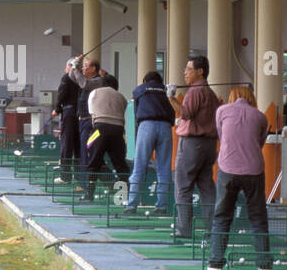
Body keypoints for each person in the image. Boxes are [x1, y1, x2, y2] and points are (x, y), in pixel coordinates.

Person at [207, 85, 271, 270]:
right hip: (254, 170)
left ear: (232, 97)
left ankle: (215, 263)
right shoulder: (260, 116)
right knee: (258, 217)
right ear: (251, 97)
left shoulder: (221, 111)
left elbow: (221, 135)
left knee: (221, 216)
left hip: (227, 169)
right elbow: (260, 142)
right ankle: (264, 264)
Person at [173, 55, 221, 238]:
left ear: (200, 72)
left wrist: (171, 98)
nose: (185, 72)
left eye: (189, 69)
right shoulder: (210, 93)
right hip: (209, 145)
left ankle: (183, 229)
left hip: (192, 143)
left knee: (183, 186)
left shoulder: (195, 91)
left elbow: (185, 114)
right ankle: (212, 229)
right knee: (207, 187)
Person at [125, 70, 176, 215]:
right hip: (166, 127)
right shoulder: (164, 91)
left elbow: (136, 113)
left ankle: (131, 205)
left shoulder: (139, 90)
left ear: (145, 80)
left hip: (146, 125)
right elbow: (172, 114)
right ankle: (162, 206)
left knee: (139, 166)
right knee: (164, 168)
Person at [79, 74, 130, 202]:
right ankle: (124, 195)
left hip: (99, 129)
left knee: (93, 161)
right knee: (120, 164)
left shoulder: (95, 92)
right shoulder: (121, 96)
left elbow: (92, 113)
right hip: (119, 130)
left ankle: (89, 194)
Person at [67, 56, 106, 169]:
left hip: (91, 121)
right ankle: (107, 182)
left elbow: (84, 84)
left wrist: (75, 67)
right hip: (83, 120)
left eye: (85, 66)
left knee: (87, 151)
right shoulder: (86, 80)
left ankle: (87, 183)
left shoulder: (98, 80)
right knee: (87, 151)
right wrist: (76, 63)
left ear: (93, 68)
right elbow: (72, 76)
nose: (83, 68)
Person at [51, 60, 82, 184]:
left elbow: (62, 94)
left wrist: (57, 109)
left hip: (69, 113)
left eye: (66, 66)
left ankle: (65, 176)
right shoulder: (82, 79)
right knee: (78, 146)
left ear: (70, 66)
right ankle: (79, 176)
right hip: (80, 115)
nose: (65, 68)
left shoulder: (66, 77)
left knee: (66, 145)